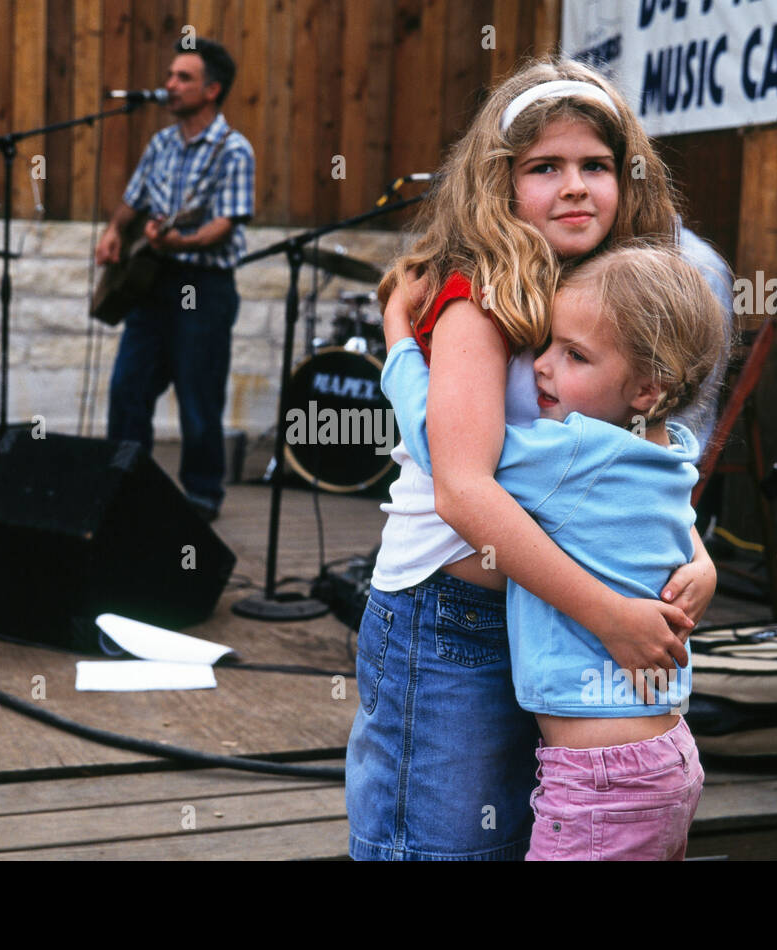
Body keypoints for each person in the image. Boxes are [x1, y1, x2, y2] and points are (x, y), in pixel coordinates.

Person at [344, 56, 720, 861]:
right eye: (545, 167)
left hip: (556, 627)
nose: (575, 185)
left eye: (596, 166)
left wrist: (697, 552)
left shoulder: (616, 296)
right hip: (454, 622)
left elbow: (638, 458)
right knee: (443, 845)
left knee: (533, 835)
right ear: (499, 184)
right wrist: (612, 616)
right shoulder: (480, 298)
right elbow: (463, 490)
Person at [382, 244, 727, 860]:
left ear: (647, 388)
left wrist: (398, 340)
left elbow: (443, 445)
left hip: (602, 778)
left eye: (573, 355)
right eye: (546, 345)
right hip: (664, 757)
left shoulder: (571, 457)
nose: (540, 367)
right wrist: (707, 563)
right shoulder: (670, 448)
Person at [95, 37, 255, 522]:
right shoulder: (161, 143)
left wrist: (179, 242)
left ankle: (202, 497)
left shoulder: (234, 149)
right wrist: (114, 229)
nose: (168, 85)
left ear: (211, 89)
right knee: (128, 388)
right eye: (169, 76)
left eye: (182, 78)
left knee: (198, 396)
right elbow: (134, 195)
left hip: (203, 288)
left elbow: (222, 226)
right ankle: (125, 484)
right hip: (153, 281)